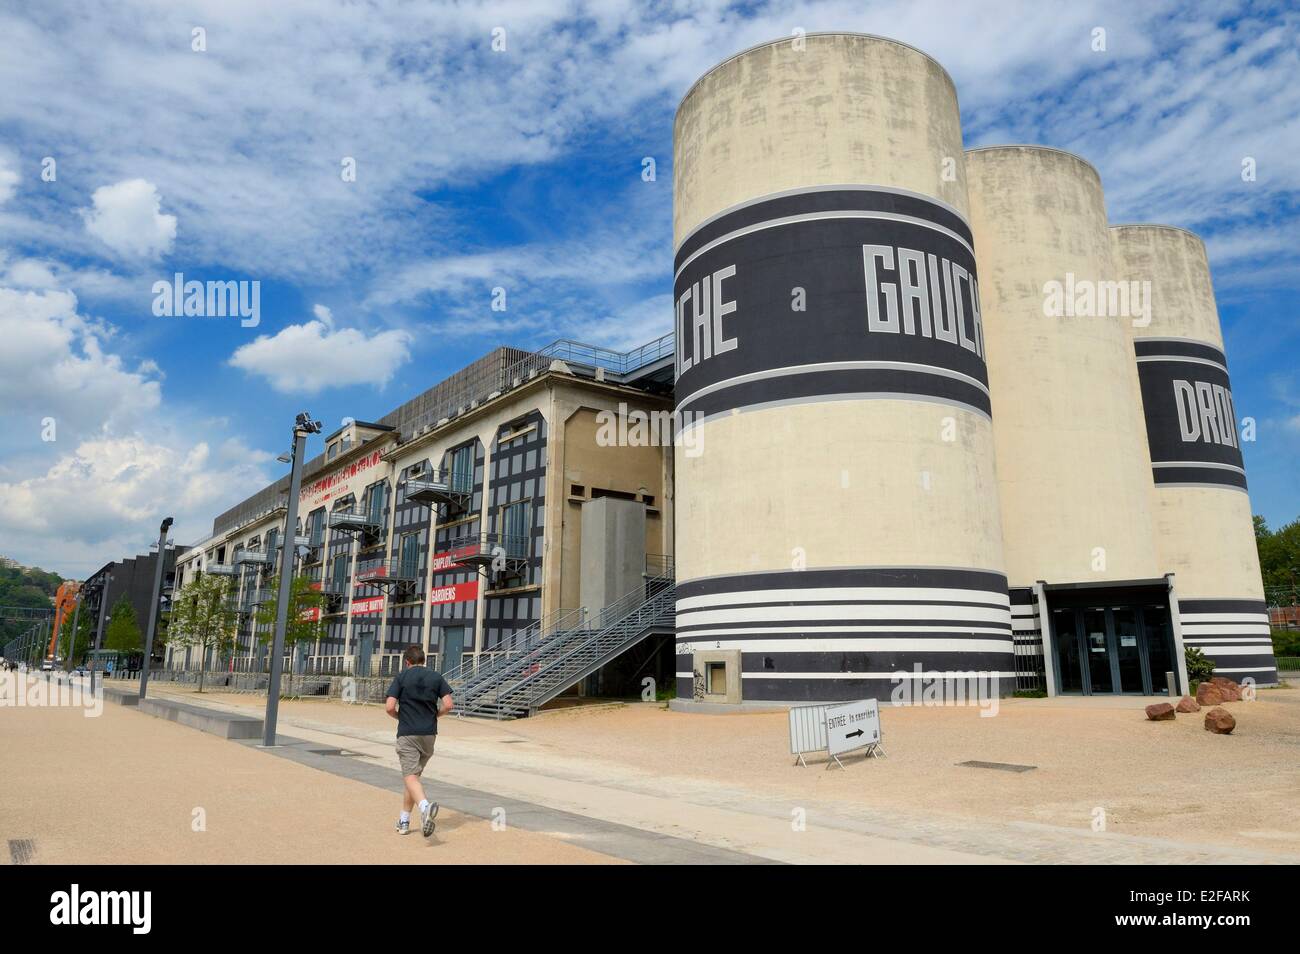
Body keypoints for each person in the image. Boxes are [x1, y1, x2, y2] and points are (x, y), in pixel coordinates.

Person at [385, 645, 453, 837]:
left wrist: (400, 717)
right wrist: (435, 716)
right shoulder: (436, 677)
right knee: (413, 777)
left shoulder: (402, 677)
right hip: (429, 735)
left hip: (408, 733)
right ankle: (404, 821)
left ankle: (425, 808)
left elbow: (389, 707)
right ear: (424, 660)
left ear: (407, 662)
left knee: (410, 777)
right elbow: (448, 704)